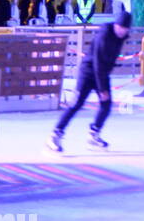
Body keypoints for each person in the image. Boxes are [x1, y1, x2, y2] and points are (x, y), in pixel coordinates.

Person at [47, 11, 132, 151]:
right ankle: (55, 135)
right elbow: (98, 61)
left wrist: (105, 82)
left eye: (125, 29)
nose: (122, 32)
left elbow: (108, 61)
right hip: (88, 72)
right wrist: (102, 88)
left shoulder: (121, 37)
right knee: (76, 103)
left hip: (102, 73)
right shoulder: (104, 34)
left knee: (106, 104)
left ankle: (93, 135)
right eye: (120, 28)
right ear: (116, 25)